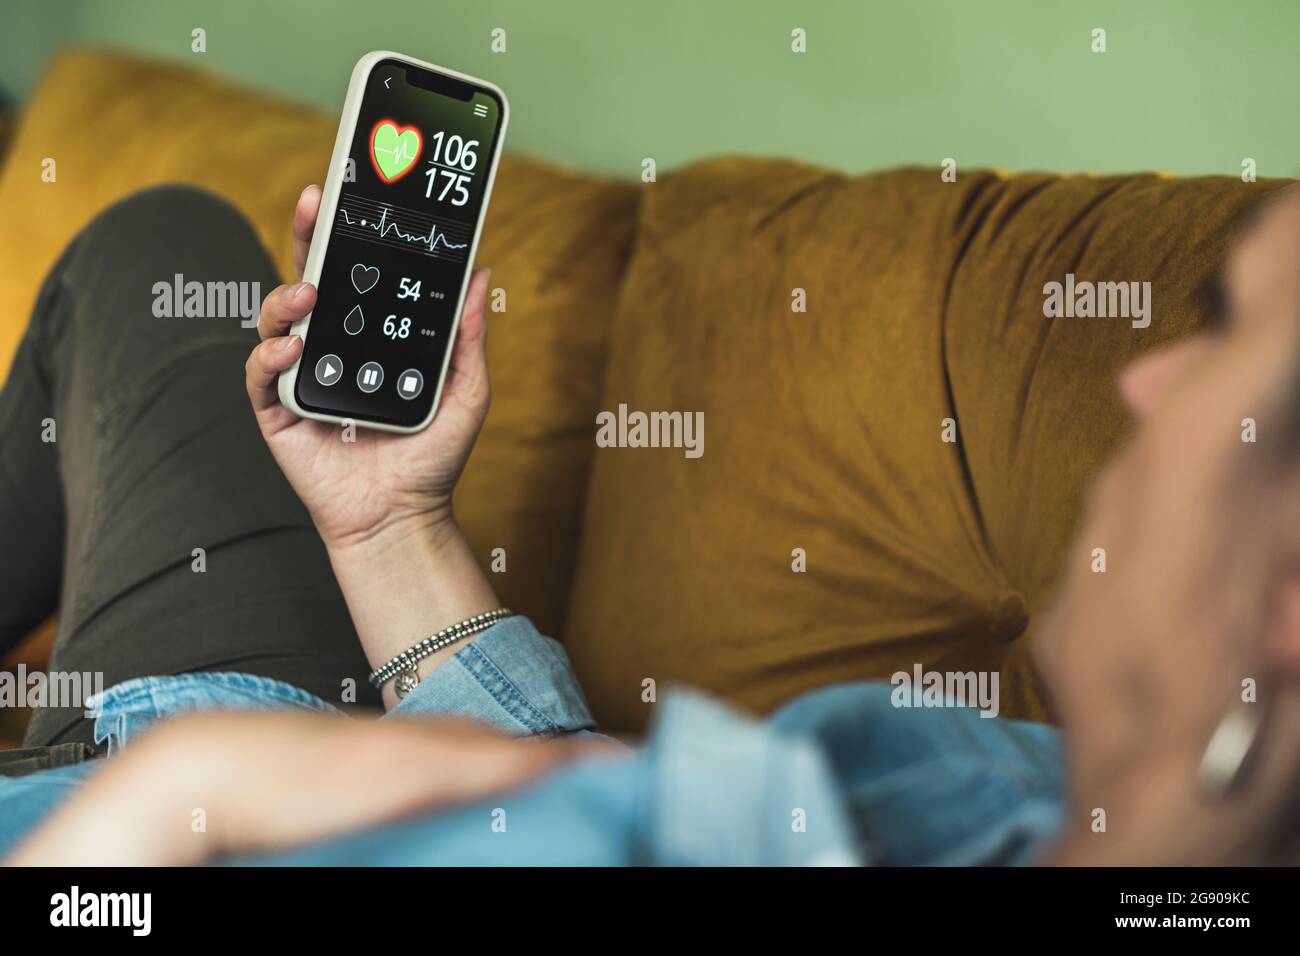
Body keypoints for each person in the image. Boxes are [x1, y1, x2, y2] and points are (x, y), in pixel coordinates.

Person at [2, 181, 1299, 866]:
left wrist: (170, 806)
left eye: (1226, 330)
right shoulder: (1023, 781)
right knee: (164, 239)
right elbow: (573, 782)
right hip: (255, 735)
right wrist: (389, 524)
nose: (1143, 378)